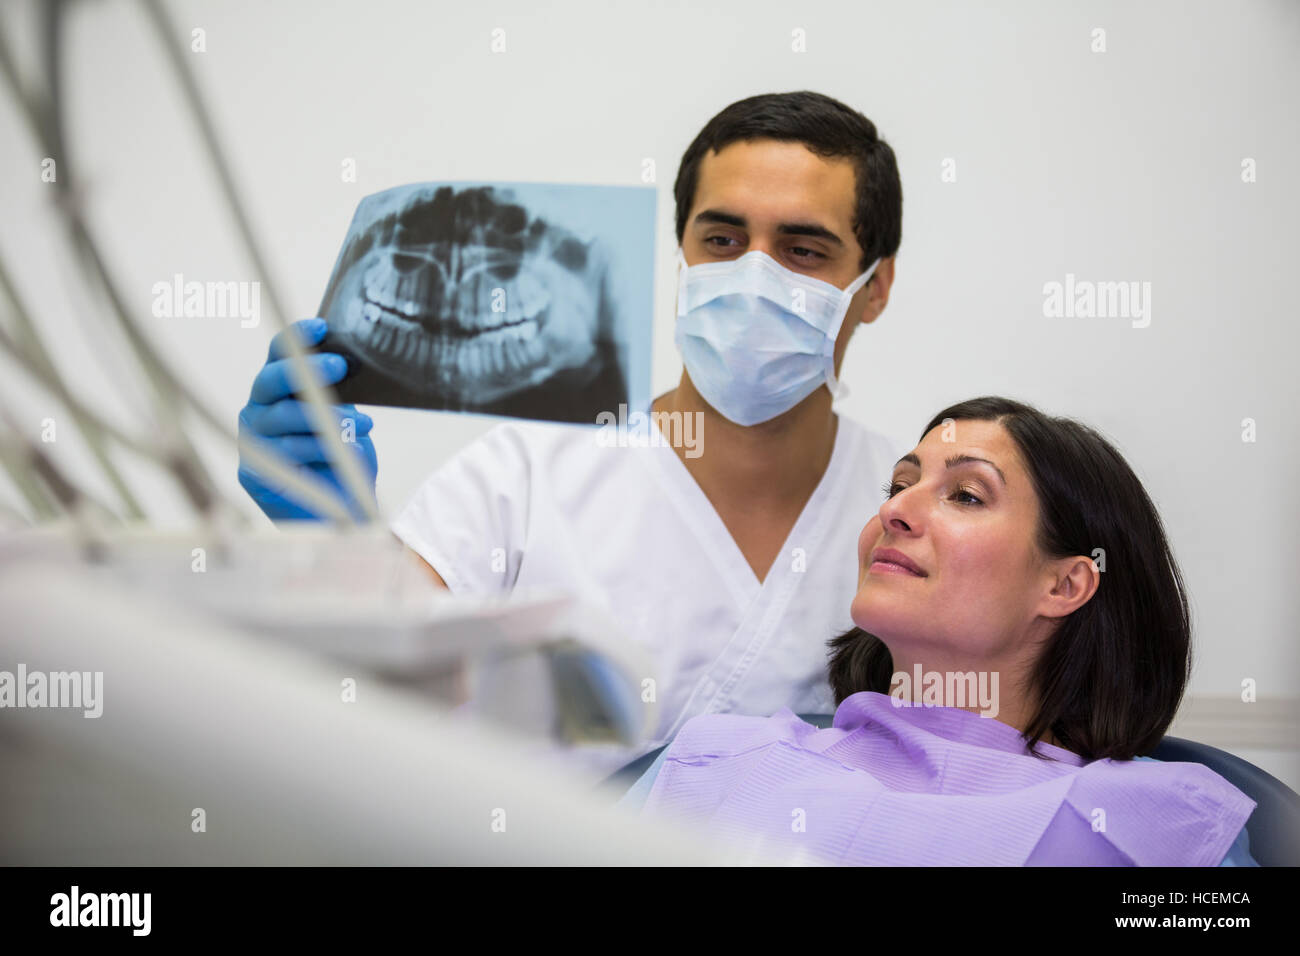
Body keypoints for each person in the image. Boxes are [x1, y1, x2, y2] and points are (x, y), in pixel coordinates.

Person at [236, 91, 908, 775]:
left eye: (801, 250)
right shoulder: (522, 477)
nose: (751, 276)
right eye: (723, 241)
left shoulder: (908, 517)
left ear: (875, 286)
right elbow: (372, 703)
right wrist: (330, 539)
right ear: (682, 256)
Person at [621, 396, 1260, 866]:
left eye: (966, 495)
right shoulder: (712, 761)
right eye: (900, 484)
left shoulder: (1160, 830)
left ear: (1065, 584)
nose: (894, 509)